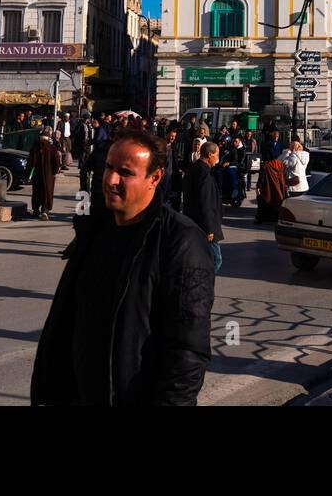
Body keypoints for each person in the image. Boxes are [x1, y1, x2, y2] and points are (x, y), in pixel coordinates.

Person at [31, 129, 215, 405]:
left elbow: (187, 350)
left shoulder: (180, 241)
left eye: (126, 173)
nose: (111, 180)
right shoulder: (94, 231)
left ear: (155, 178)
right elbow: (64, 323)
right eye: (109, 168)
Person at [184, 141, 224, 272]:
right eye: (217, 155)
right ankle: (202, 286)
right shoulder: (204, 173)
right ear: (210, 155)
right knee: (215, 260)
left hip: (195, 221)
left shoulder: (195, 168)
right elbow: (205, 201)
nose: (218, 158)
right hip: (204, 225)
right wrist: (209, 229)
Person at [29, 127, 63, 220]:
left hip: (37, 175)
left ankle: (36, 211)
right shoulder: (52, 149)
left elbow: (30, 162)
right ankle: (45, 210)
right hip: (49, 175)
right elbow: (56, 162)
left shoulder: (35, 148)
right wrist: (55, 171)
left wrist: (28, 173)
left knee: (36, 193)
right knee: (47, 192)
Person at [255, 149, 288, 224]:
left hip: (267, 187)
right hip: (278, 187)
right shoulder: (280, 164)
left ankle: (261, 218)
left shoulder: (265, 165)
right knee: (276, 202)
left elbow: (261, 177)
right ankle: (274, 217)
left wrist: (258, 187)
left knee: (263, 201)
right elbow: (283, 176)